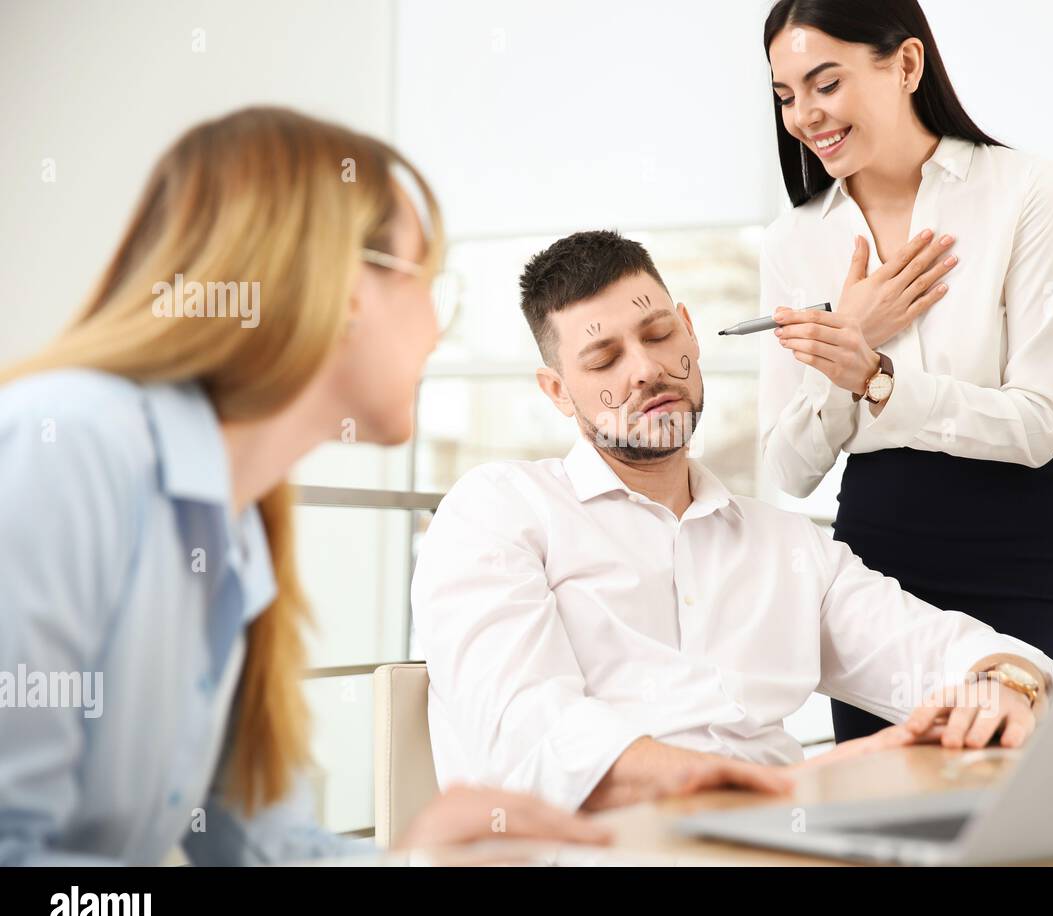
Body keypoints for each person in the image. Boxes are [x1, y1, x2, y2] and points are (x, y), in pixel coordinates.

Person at [0, 107, 608, 865]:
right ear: (348, 289)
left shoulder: (241, 527)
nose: (435, 328)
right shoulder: (63, 451)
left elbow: (262, 847)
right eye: (429, 282)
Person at [411, 229, 1053, 814]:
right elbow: (530, 742)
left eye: (659, 335)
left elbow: (940, 650)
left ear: (691, 333)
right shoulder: (499, 510)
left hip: (781, 844)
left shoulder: (783, 545)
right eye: (604, 359)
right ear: (557, 391)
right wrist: (781, 786)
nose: (645, 369)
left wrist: (1001, 684)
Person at [757, 0, 1053, 742]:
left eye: (825, 84)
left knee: (1022, 790)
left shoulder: (1023, 190)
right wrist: (850, 345)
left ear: (906, 64)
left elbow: (1038, 424)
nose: (804, 116)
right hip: (881, 558)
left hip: (1028, 543)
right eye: (786, 96)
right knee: (886, 795)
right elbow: (786, 465)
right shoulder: (793, 239)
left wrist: (878, 380)